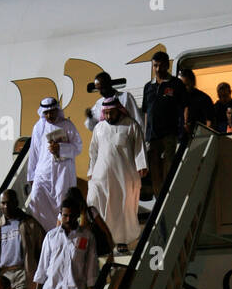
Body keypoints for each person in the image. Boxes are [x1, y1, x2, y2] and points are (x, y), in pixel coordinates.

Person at [86, 97, 149, 249]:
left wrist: (142, 165)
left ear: (118, 110)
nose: (108, 116)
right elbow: (93, 151)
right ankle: (101, 240)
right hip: (100, 176)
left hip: (123, 176)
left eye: (111, 113)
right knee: (94, 202)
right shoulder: (99, 128)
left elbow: (139, 147)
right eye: (106, 113)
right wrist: (91, 170)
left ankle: (121, 241)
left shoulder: (131, 125)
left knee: (121, 208)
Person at [26, 97, 82, 232]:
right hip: (42, 174)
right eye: (46, 113)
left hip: (62, 174)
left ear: (57, 110)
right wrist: (31, 177)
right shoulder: (38, 127)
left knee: (61, 205)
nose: (49, 115)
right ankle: (45, 237)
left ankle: (61, 235)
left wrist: (61, 149)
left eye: (52, 112)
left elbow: (78, 147)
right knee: (37, 203)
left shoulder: (67, 125)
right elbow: (34, 152)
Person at [0, 188, 45, 289]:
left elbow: (42, 250)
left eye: (9, 202)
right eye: (3, 203)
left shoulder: (30, 223)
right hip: (2, 274)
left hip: (22, 272)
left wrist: (38, 275)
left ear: (16, 203)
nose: (6, 206)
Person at [142, 51, 187, 198]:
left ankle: (170, 199)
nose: (158, 69)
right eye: (155, 65)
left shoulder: (176, 84)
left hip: (169, 135)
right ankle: (159, 202)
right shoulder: (148, 87)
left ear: (167, 65)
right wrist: (145, 135)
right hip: (152, 137)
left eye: (161, 65)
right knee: (155, 173)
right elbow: (146, 112)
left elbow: (184, 107)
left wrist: (183, 130)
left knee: (168, 171)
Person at [178, 66, 215, 139]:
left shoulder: (204, 99)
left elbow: (209, 122)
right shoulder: (177, 99)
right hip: (179, 139)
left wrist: (204, 139)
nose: (183, 89)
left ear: (193, 83)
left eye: (186, 85)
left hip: (198, 138)